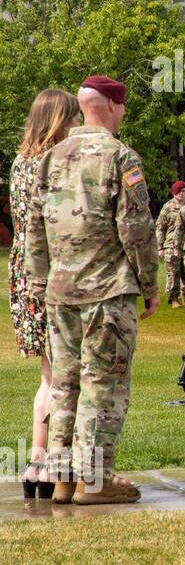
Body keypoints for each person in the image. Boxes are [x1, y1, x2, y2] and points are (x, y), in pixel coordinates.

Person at [25, 75, 159, 505]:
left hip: (59, 293)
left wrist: (38, 284)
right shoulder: (121, 158)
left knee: (65, 385)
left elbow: (33, 231)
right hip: (107, 293)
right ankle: (95, 482)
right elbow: (136, 229)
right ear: (114, 107)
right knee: (104, 385)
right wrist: (150, 283)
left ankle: (63, 480)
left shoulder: (48, 159)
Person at [9, 88, 81, 500]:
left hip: (24, 269)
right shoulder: (55, 163)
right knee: (64, 376)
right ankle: (51, 464)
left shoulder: (20, 162)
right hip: (53, 269)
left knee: (49, 375)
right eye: (71, 118)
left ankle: (37, 464)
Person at [154, 180, 185, 306]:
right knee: (173, 272)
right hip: (170, 243)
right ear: (174, 193)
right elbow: (160, 228)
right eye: (178, 192)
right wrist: (159, 247)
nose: (181, 194)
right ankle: (174, 298)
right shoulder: (167, 207)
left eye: (184, 191)